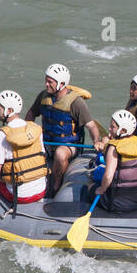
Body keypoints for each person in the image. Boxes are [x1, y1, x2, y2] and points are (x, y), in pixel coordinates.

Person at [24, 63, 102, 196]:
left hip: (68, 144)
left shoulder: (76, 102)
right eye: (46, 81)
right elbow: (31, 114)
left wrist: (96, 140)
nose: (46, 84)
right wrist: (26, 132)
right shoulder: (43, 96)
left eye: (50, 82)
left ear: (61, 83)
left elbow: (91, 126)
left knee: (60, 154)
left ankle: (55, 185)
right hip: (47, 142)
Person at [0, 90, 49, 204]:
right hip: (41, 190)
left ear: (9, 111)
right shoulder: (35, 128)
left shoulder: (2, 135)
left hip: (19, 195)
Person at [93, 109, 137, 214]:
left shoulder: (114, 147)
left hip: (119, 202)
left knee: (88, 188)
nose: (109, 128)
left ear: (123, 130)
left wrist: (102, 189)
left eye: (112, 127)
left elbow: (108, 176)